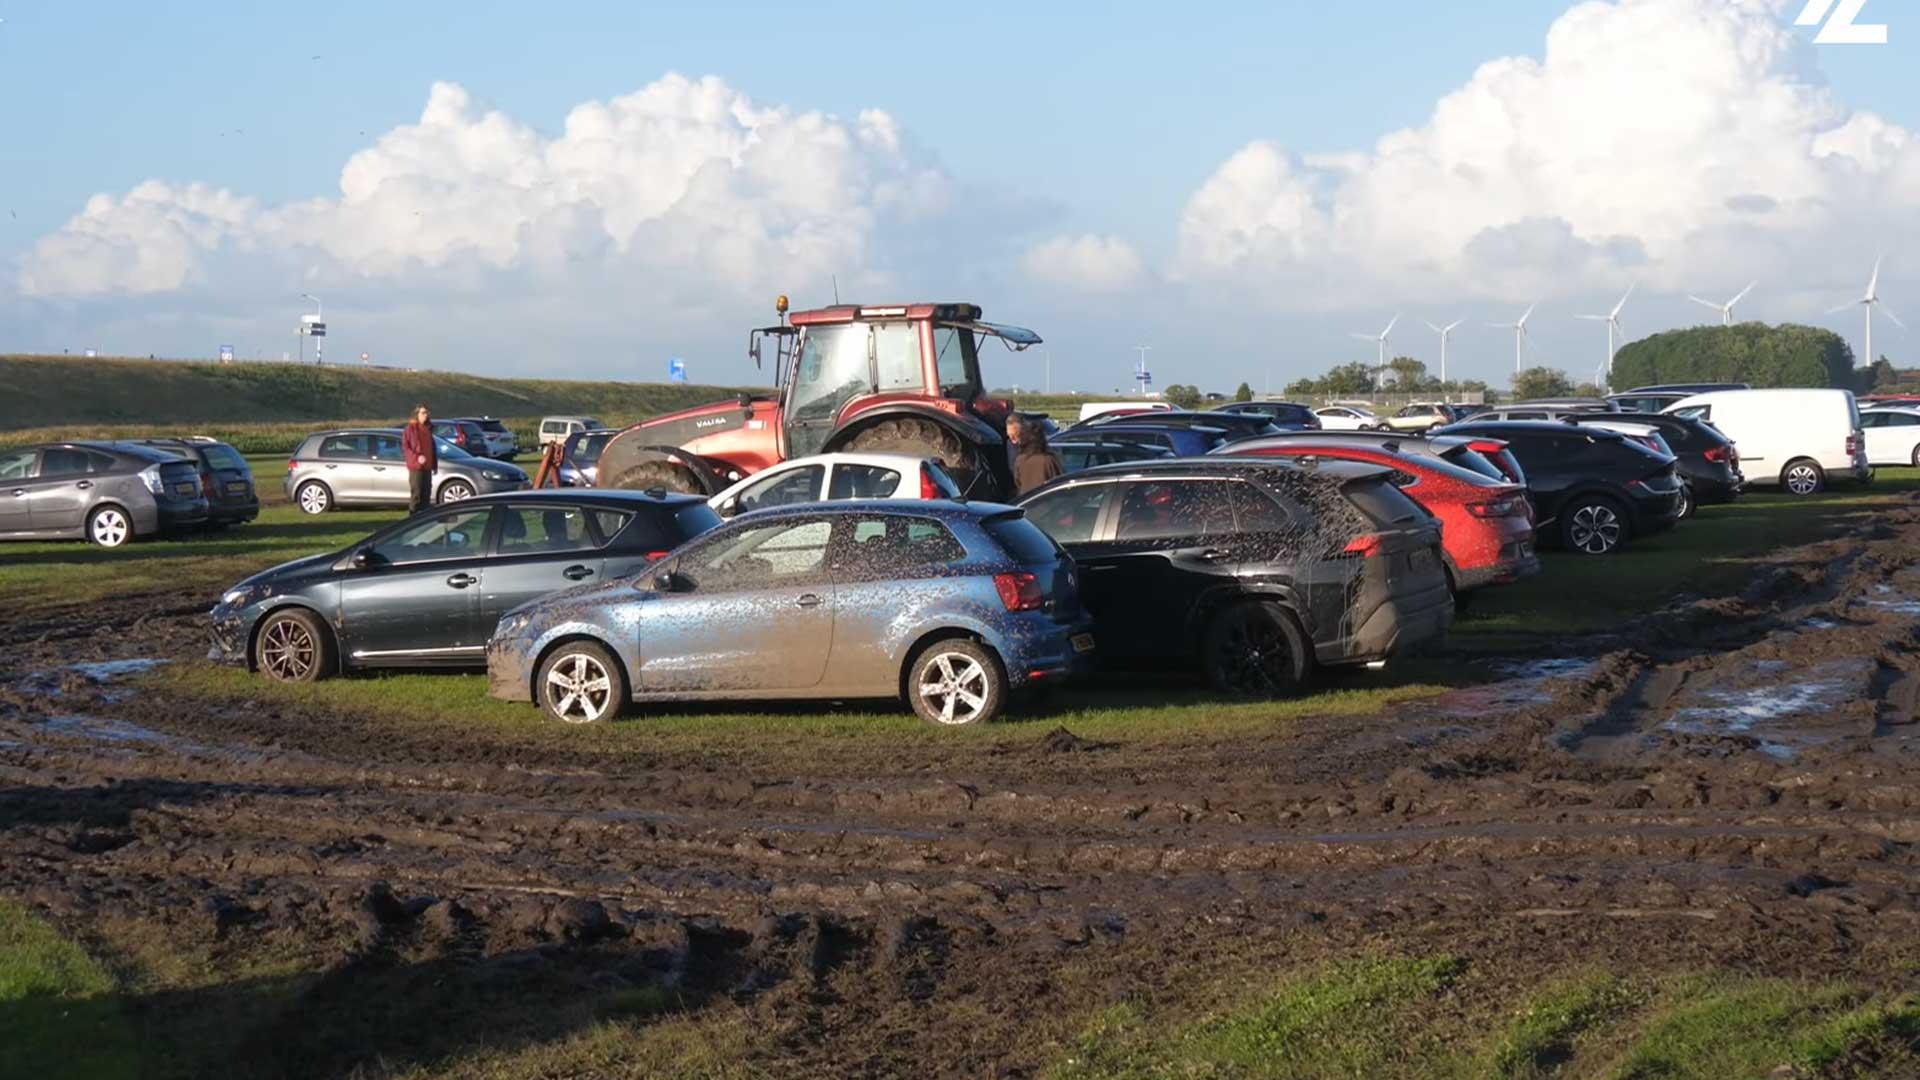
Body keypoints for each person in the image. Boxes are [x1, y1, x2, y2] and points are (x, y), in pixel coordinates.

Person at [1008, 412, 1064, 495]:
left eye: (1016, 435)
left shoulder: (1020, 460)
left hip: (1029, 503)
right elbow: (1061, 486)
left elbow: (1018, 483)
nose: (1013, 441)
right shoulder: (1049, 460)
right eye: (1010, 437)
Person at [402, 404, 437, 514]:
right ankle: (413, 520)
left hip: (427, 467)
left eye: (427, 413)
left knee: (426, 494)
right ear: (417, 414)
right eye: (423, 413)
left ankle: (424, 521)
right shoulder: (410, 429)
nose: (425, 415)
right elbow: (406, 447)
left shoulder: (428, 429)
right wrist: (417, 458)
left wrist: (434, 464)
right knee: (416, 494)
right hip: (416, 467)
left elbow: (432, 448)